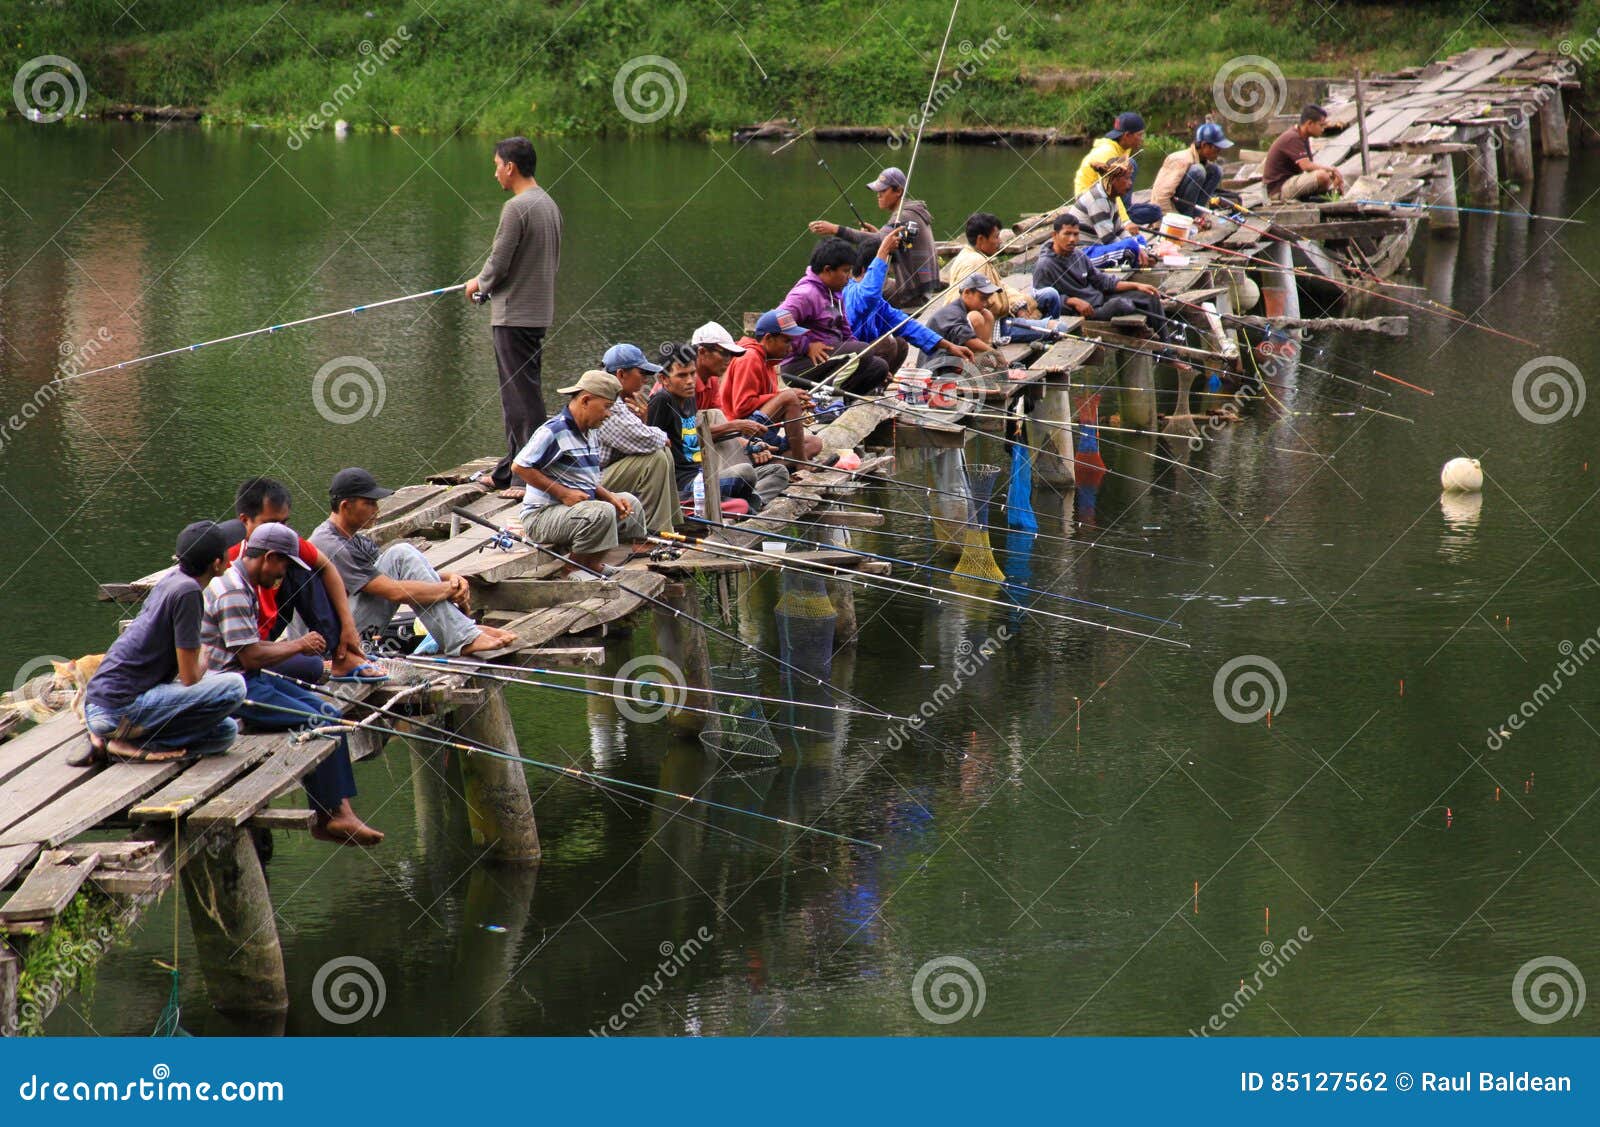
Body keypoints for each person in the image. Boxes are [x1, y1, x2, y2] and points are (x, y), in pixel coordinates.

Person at [202, 522, 383, 847]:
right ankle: (332, 815)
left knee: (329, 711)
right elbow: (251, 657)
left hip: (249, 677)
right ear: (269, 558)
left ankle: (336, 812)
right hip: (231, 689)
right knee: (325, 722)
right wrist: (299, 646)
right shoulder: (231, 590)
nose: (284, 574)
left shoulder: (245, 583)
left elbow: (252, 654)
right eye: (284, 565)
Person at [80, 521, 248, 764]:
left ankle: (120, 743)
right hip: (118, 708)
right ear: (217, 563)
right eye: (226, 550)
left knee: (225, 733)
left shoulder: (173, 578)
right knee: (234, 686)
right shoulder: (188, 592)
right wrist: (205, 654)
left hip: (100, 703)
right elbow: (190, 676)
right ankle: (121, 743)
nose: (231, 553)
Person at [309, 467, 519, 654]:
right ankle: (463, 637)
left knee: (401, 556)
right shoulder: (330, 543)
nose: (377, 510)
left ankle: (463, 632)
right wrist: (447, 589)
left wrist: (451, 579)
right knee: (401, 554)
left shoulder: (355, 539)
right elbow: (393, 591)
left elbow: (399, 575)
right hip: (328, 644)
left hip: (352, 625)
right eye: (369, 503)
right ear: (345, 506)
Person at [464, 137, 563, 497]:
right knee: (520, 392)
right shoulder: (549, 204)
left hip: (514, 314)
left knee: (521, 397)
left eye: (497, 165)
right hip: (536, 313)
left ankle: (528, 475)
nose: (495, 173)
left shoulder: (516, 207)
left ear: (511, 166)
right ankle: (508, 470)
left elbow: (500, 261)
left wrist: (478, 284)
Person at [223, 477, 382, 682]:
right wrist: (296, 646)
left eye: (284, 523)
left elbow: (327, 568)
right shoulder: (228, 561)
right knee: (312, 668)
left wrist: (347, 626)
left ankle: (341, 656)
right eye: (271, 523)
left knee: (303, 571)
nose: (281, 530)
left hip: (268, 631)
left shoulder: (282, 541)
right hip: (243, 647)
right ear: (245, 521)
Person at [513, 370, 651, 577]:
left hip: (571, 512)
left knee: (630, 503)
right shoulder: (555, 430)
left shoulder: (591, 432)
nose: (608, 414)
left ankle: (593, 564)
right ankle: (572, 569)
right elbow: (519, 467)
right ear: (586, 400)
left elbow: (584, 479)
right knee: (601, 512)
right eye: (606, 407)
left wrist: (610, 496)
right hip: (541, 517)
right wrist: (563, 493)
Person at [1032, 214, 1192, 364]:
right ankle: (1157, 342)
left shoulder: (1079, 255)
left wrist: (1137, 285)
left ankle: (1167, 351)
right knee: (1122, 304)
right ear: (1054, 235)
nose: (1072, 239)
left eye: (1076, 234)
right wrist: (1071, 301)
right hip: (1084, 313)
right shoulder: (1044, 265)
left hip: (1099, 299)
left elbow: (1102, 281)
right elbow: (1041, 299)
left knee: (1149, 296)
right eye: (1067, 234)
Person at [646, 358, 778, 513]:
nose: (690, 381)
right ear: (663, 379)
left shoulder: (689, 398)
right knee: (746, 472)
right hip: (687, 485)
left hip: (704, 473)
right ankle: (746, 501)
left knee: (777, 471)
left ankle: (750, 500)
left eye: (692, 374)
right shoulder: (662, 400)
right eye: (682, 376)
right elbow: (652, 447)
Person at [780, 237, 898, 400]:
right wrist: (806, 346)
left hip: (828, 360)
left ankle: (846, 403)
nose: (848, 277)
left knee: (879, 366)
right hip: (799, 366)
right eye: (845, 271)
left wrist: (867, 359)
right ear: (828, 270)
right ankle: (827, 402)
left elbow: (845, 333)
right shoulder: (806, 294)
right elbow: (779, 319)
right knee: (863, 350)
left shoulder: (835, 294)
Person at [807, 166, 938, 308]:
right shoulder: (913, 213)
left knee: (851, 281)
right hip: (921, 289)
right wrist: (878, 234)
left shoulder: (904, 215)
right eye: (878, 191)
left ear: (898, 191)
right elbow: (903, 244)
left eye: (883, 191)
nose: (878, 195)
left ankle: (827, 312)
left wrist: (835, 229)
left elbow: (874, 241)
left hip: (912, 295)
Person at [595, 343, 683, 536]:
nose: (645, 380)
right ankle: (651, 533)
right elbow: (646, 439)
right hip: (592, 482)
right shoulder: (607, 401)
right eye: (641, 374)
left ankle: (670, 524)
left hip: (604, 475)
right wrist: (659, 435)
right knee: (657, 457)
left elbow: (641, 435)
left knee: (663, 453)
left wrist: (644, 421)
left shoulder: (619, 399)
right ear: (621, 374)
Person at [942, 212, 1063, 343]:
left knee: (1050, 295)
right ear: (981, 239)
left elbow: (1000, 287)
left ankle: (1041, 335)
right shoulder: (975, 263)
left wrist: (1019, 305)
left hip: (1004, 313)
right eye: (996, 237)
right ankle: (1045, 337)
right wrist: (1015, 312)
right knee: (1060, 327)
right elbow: (970, 307)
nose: (1000, 241)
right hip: (996, 325)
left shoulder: (975, 255)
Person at [722, 309, 824, 460]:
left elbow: (765, 404)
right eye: (786, 341)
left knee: (815, 443)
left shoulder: (769, 362)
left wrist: (795, 407)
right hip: (740, 435)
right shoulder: (749, 358)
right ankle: (802, 465)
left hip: (763, 432)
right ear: (768, 338)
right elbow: (741, 407)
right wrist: (785, 397)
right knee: (788, 396)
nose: (790, 348)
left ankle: (777, 464)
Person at [1074, 111, 1162, 226]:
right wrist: (1125, 222)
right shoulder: (1106, 152)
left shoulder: (1124, 147)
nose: (1142, 139)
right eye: (1139, 135)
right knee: (1152, 213)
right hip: (1090, 200)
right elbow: (1110, 188)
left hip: (1107, 196)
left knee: (1155, 211)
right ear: (1127, 135)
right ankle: (1122, 216)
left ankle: (1126, 211)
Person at [1067, 158, 1151, 267]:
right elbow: (1109, 239)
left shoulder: (1111, 196)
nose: (1130, 183)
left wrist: (1137, 247)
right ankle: (1139, 258)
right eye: (1126, 179)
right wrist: (1136, 249)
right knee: (1130, 245)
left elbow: (1119, 230)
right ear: (1113, 180)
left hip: (1099, 246)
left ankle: (1140, 257)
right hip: (1083, 254)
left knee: (1138, 239)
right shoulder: (1098, 200)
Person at [1151, 122, 1237, 220]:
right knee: (1198, 171)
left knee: (1216, 171)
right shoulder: (1181, 160)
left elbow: (1204, 197)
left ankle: (1197, 216)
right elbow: (1161, 197)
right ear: (1204, 145)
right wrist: (1178, 220)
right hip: (1169, 213)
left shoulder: (1205, 162)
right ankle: (1188, 217)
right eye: (1217, 149)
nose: (1218, 153)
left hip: (1187, 210)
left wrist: (1203, 215)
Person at [918, 275, 1000, 374]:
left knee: (987, 314)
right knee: (976, 317)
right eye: (982, 298)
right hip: (936, 369)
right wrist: (996, 354)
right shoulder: (952, 312)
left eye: (987, 299)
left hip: (953, 362)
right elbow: (968, 339)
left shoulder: (964, 310)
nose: (986, 303)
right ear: (967, 292)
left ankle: (980, 363)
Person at [1263, 105, 1346, 201]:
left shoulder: (1303, 137)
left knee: (1327, 176)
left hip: (1288, 184)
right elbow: (1306, 166)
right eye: (1321, 125)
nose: (1323, 129)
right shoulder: (1293, 137)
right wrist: (1332, 170)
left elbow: (1310, 170)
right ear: (1309, 123)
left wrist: (1333, 177)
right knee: (1322, 176)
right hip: (1278, 190)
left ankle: (1321, 197)